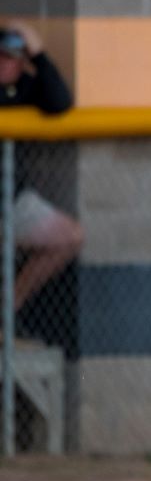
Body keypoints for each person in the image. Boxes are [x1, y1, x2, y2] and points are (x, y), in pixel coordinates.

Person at [0, 21, 82, 319]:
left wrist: (39, 53)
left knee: (69, 236)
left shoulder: (23, 88)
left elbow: (60, 103)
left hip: (10, 201)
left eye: (9, 58)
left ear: (22, 62)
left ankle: (8, 306)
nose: (3, 64)